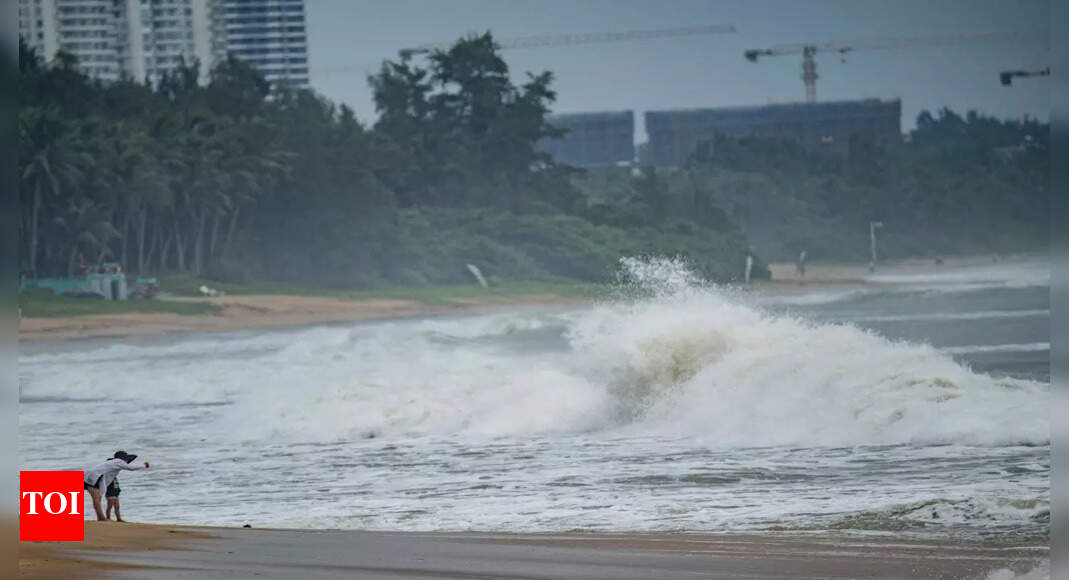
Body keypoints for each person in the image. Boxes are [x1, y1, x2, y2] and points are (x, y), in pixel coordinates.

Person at [83, 451, 149, 522]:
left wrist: (102, 490)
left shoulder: (111, 463)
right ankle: (101, 518)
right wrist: (144, 465)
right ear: (124, 459)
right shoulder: (119, 461)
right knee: (97, 498)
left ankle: (100, 517)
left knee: (97, 498)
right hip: (94, 477)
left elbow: (106, 478)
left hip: (87, 476)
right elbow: (131, 468)